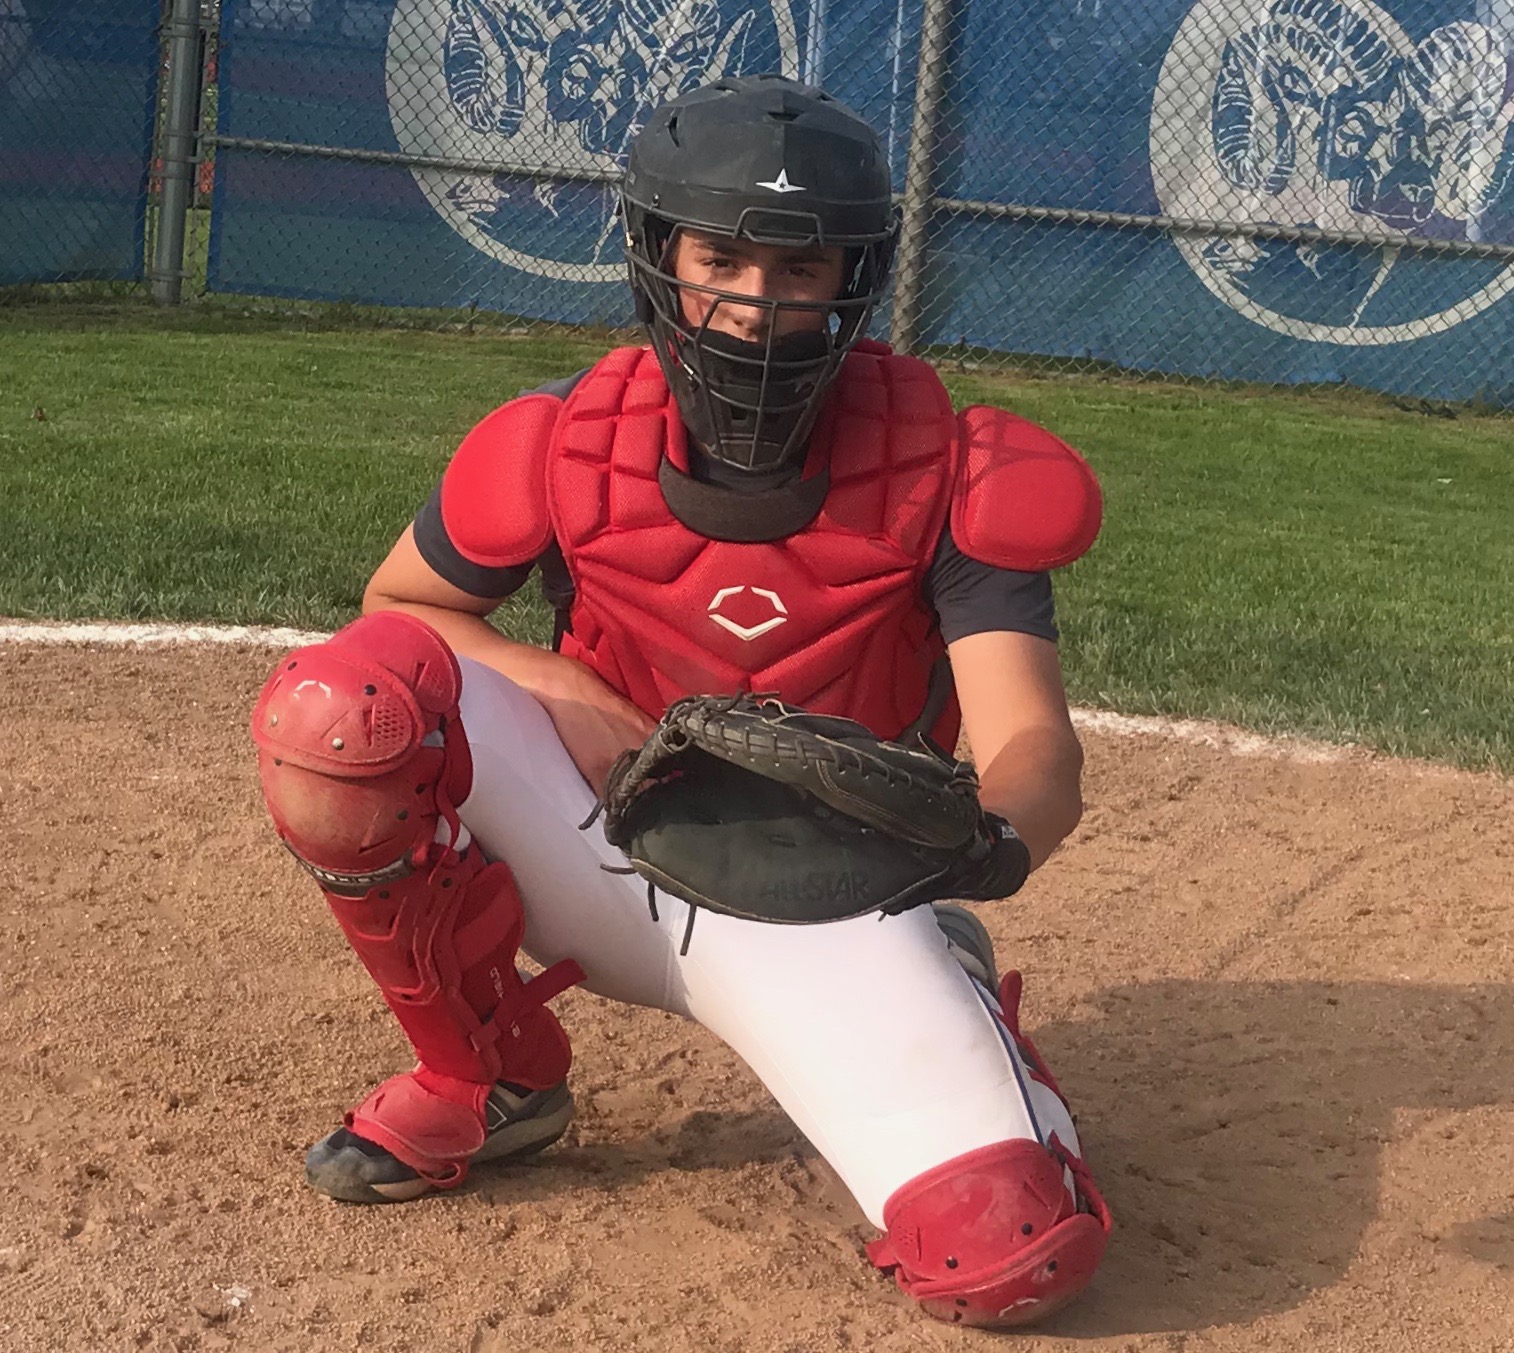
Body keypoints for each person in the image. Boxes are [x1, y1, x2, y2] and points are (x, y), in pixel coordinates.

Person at [250, 74, 1110, 1328]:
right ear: (660, 255)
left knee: (1008, 1255)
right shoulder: (560, 442)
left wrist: (985, 846)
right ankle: (488, 1077)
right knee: (341, 710)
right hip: (598, 840)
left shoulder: (951, 466)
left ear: (851, 277)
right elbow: (399, 610)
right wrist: (561, 683)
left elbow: (1034, 741)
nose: (756, 304)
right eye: (722, 258)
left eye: (799, 268)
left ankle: (953, 997)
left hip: (831, 889)